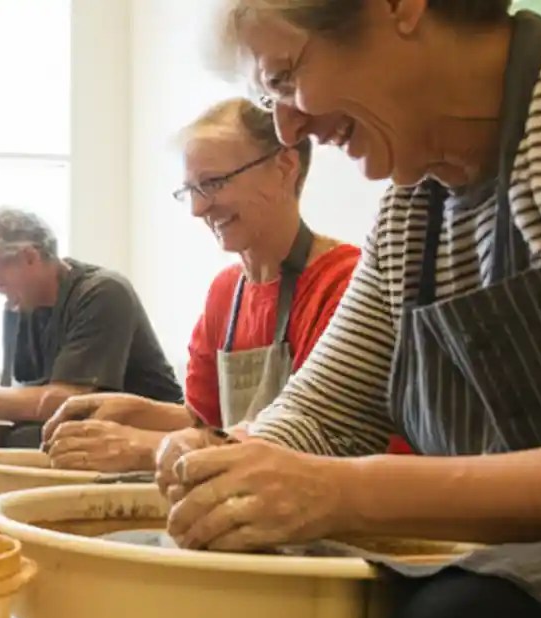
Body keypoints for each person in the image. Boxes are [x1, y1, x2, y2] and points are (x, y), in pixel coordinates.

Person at [155, 2, 541, 618]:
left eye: (287, 79)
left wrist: (343, 492)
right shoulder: (414, 207)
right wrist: (231, 460)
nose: (289, 128)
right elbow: (322, 411)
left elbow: (339, 477)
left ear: (401, 8)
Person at [43, 98, 374, 471]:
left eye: (213, 183)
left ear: (284, 168)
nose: (197, 209)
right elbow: (208, 424)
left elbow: (319, 440)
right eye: (191, 190)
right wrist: (132, 410)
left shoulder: (345, 282)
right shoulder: (226, 291)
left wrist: (151, 448)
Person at [0, 207, 181, 447]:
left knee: (28, 440)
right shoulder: (19, 305)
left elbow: (66, 402)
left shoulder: (103, 292)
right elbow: (12, 401)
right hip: (83, 432)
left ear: (30, 257)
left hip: (151, 439)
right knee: (3, 440)